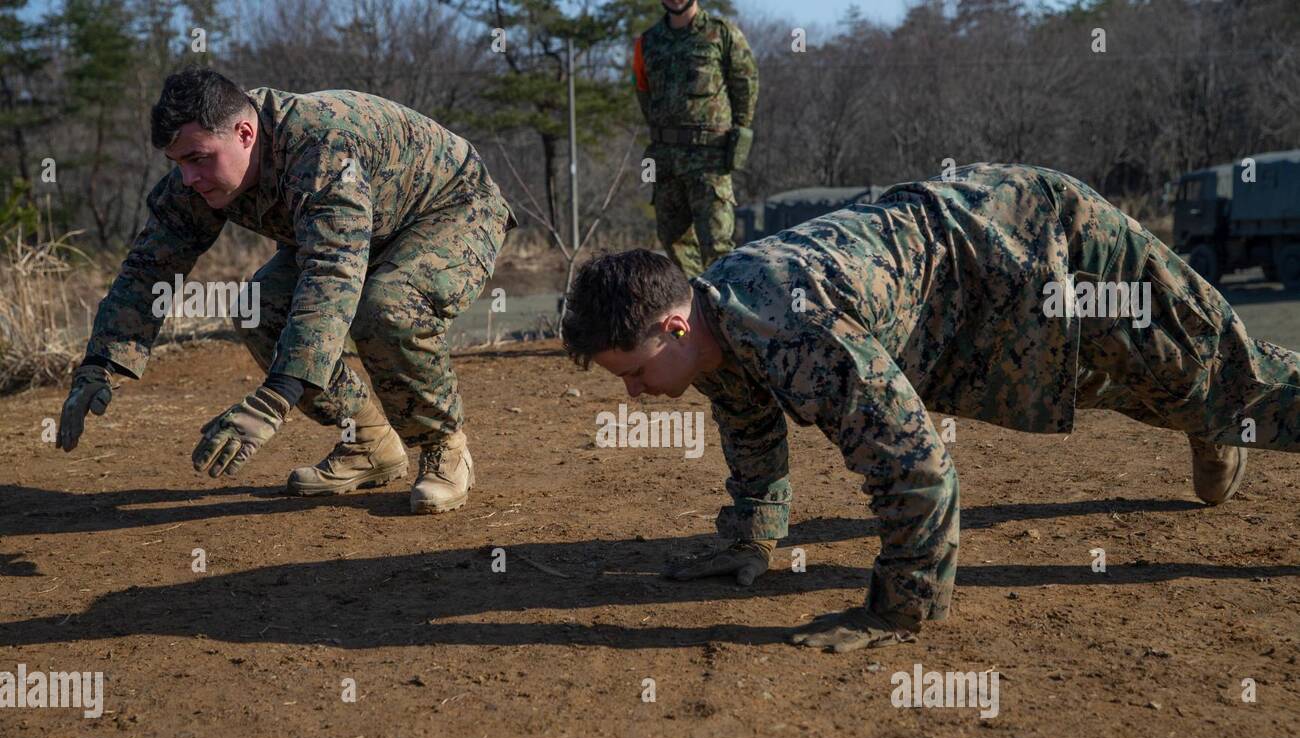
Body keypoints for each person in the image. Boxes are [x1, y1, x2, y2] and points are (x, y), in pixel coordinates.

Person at [560, 163, 1300, 651]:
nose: (633, 393)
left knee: (1225, 377)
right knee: (1101, 384)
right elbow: (748, 417)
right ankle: (1200, 412)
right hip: (977, 309)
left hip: (1053, 239)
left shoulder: (792, 326)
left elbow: (917, 465)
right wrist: (750, 536)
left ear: (673, 326)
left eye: (632, 372)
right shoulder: (713, 323)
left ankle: (1211, 411)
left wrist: (897, 607)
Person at [57, 68, 517, 515]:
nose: (188, 179)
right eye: (177, 164)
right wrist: (100, 363)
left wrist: (276, 395)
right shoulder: (197, 175)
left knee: (386, 308)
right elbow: (148, 269)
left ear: (243, 132)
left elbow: (332, 273)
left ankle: (443, 444)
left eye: (197, 159)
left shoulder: (320, 144)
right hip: (361, 229)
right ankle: (369, 443)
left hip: (449, 209)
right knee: (258, 308)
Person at [633, 0, 758, 276]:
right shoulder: (648, 42)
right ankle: (694, 309)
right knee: (673, 243)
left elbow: (746, 83)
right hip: (667, 160)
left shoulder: (722, 33)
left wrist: (739, 133)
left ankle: (724, 313)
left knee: (717, 246)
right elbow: (644, 92)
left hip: (709, 159)